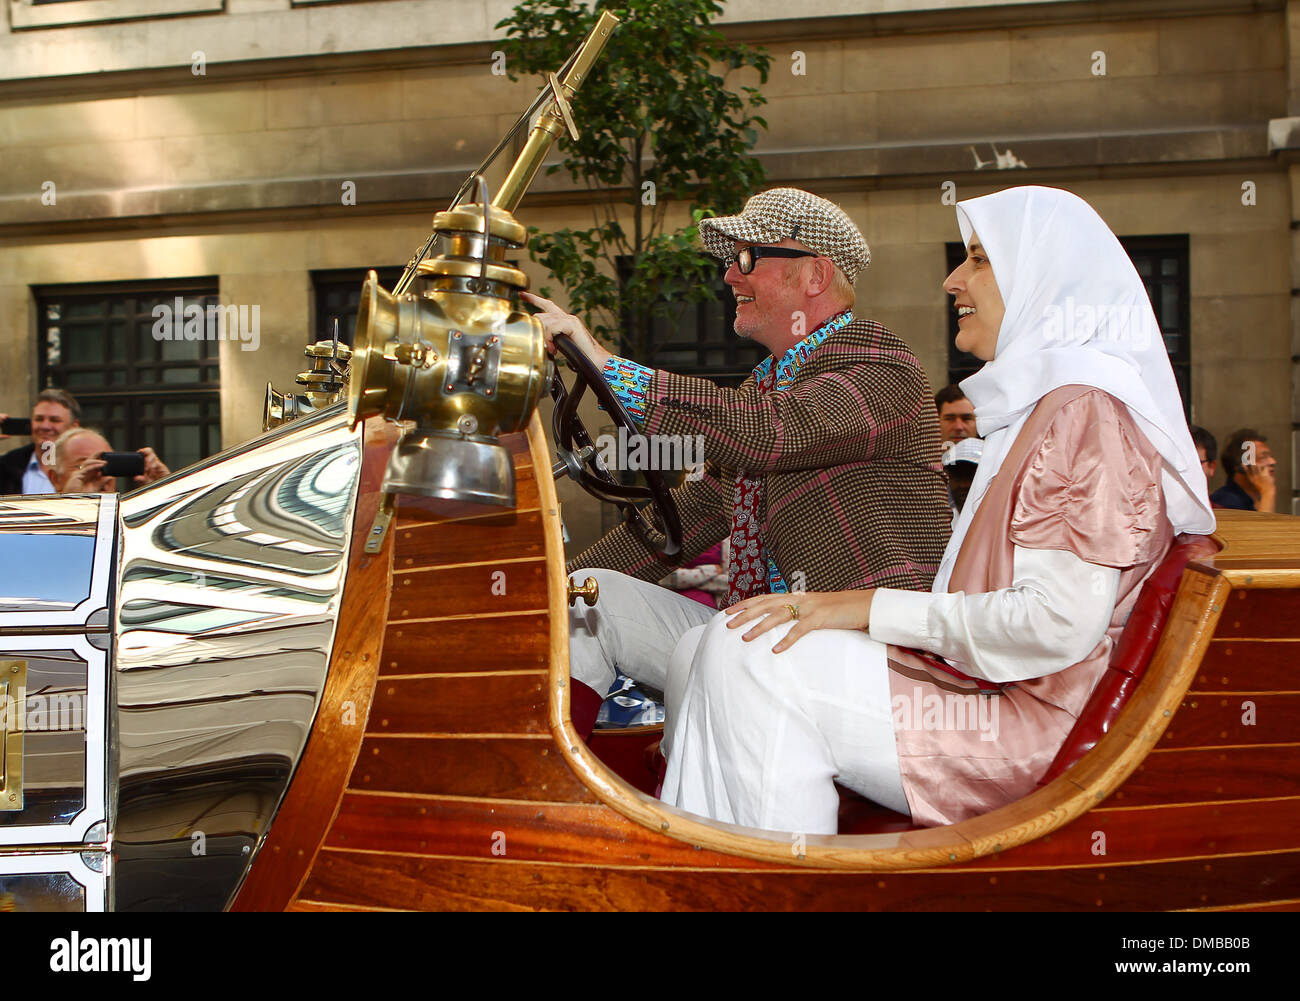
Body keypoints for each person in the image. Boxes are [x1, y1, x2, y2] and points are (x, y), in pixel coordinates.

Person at [661, 185, 1215, 835]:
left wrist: (854, 606)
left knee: (757, 656)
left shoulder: (1085, 413)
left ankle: (785, 887)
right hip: (987, 687)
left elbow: (1055, 626)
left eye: (978, 258)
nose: (953, 279)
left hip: (1016, 723)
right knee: (731, 640)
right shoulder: (1052, 408)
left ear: (1041, 278)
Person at [523, 187, 951, 728]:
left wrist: (606, 365)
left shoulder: (879, 362)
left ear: (814, 276)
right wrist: (536, 588)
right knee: (582, 602)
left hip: (865, 659)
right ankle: (549, 772)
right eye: (729, 261)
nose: (729, 276)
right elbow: (678, 522)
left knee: (710, 652)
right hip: (768, 642)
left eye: (747, 258)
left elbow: (771, 434)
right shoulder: (767, 384)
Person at [0, 389, 81, 495]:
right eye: (39, 419)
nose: (45, 426)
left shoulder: (85, 466)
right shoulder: (6, 466)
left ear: (74, 426)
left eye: (54, 420)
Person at [48, 427, 170, 494]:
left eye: (104, 464)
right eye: (82, 466)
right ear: (55, 479)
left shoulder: (129, 516)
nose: (97, 474)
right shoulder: (40, 525)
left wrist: (165, 491)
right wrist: (77, 502)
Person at [1209, 428, 1275, 512]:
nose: (1273, 462)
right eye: (1263, 457)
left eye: (1271, 456)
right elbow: (1263, 525)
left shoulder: (1257, 499)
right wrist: (1268, 491)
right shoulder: (1225, 502)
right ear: (1242, 466)